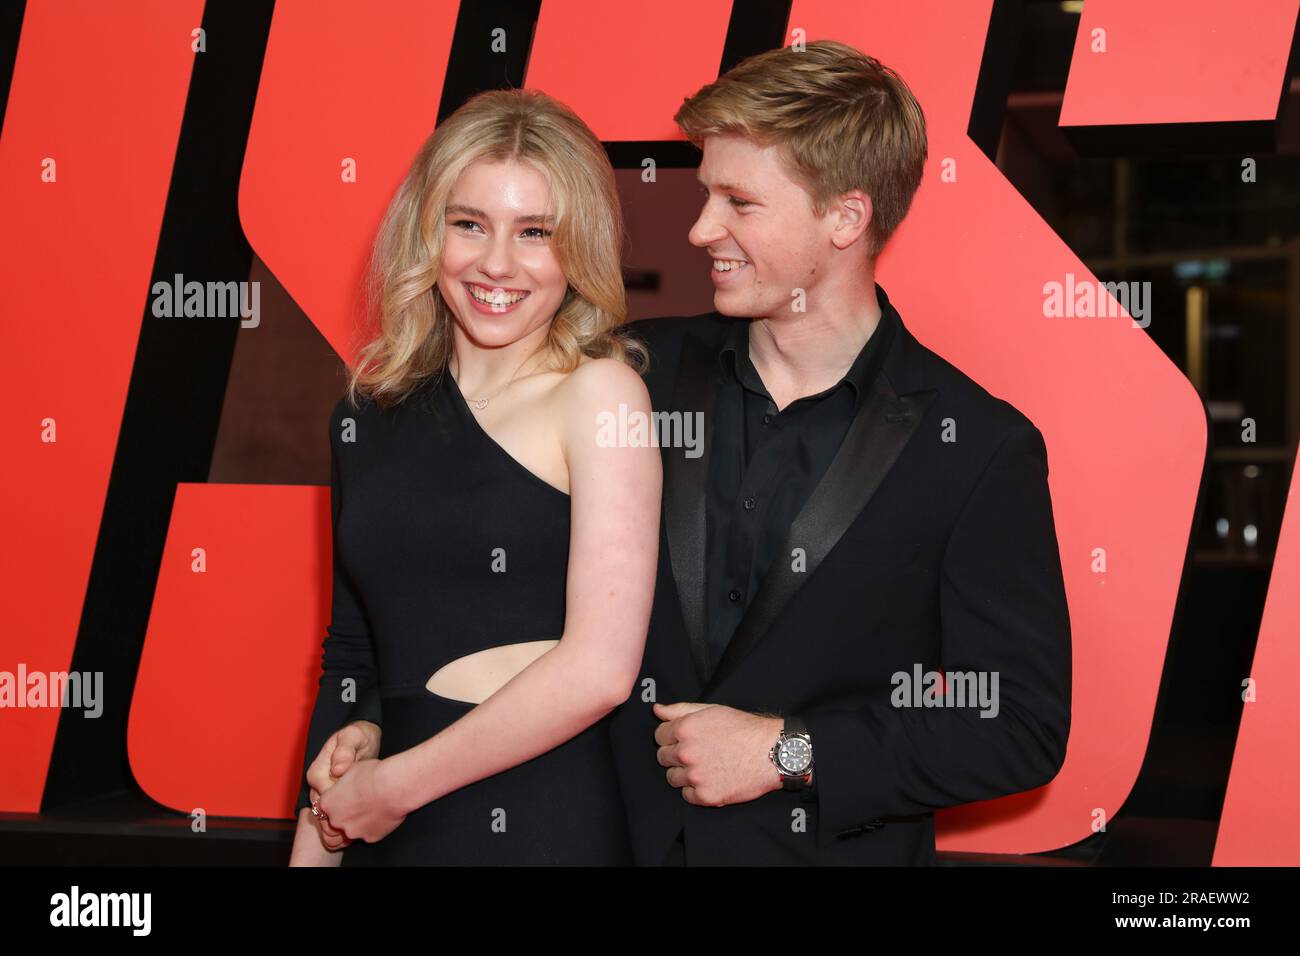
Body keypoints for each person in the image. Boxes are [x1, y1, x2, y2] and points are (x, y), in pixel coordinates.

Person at [613, 38, 1072, 865]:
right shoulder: (629, 376)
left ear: (846, 217)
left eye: (738, 202)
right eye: (703, 192)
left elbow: (1018, 725)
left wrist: (788, 754)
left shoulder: (975, 448)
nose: (698, 227)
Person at [287, 88, 660, 866]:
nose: (497, 263)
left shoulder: (600, 395)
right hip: (385, 821)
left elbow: (600, 670)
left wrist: (393, 788)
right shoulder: (368, 412)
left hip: (540, 820)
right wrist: (331, 818)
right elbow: (353, 658)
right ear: (429, 231)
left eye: (535, 233)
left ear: (578, 248)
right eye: (469, 224)